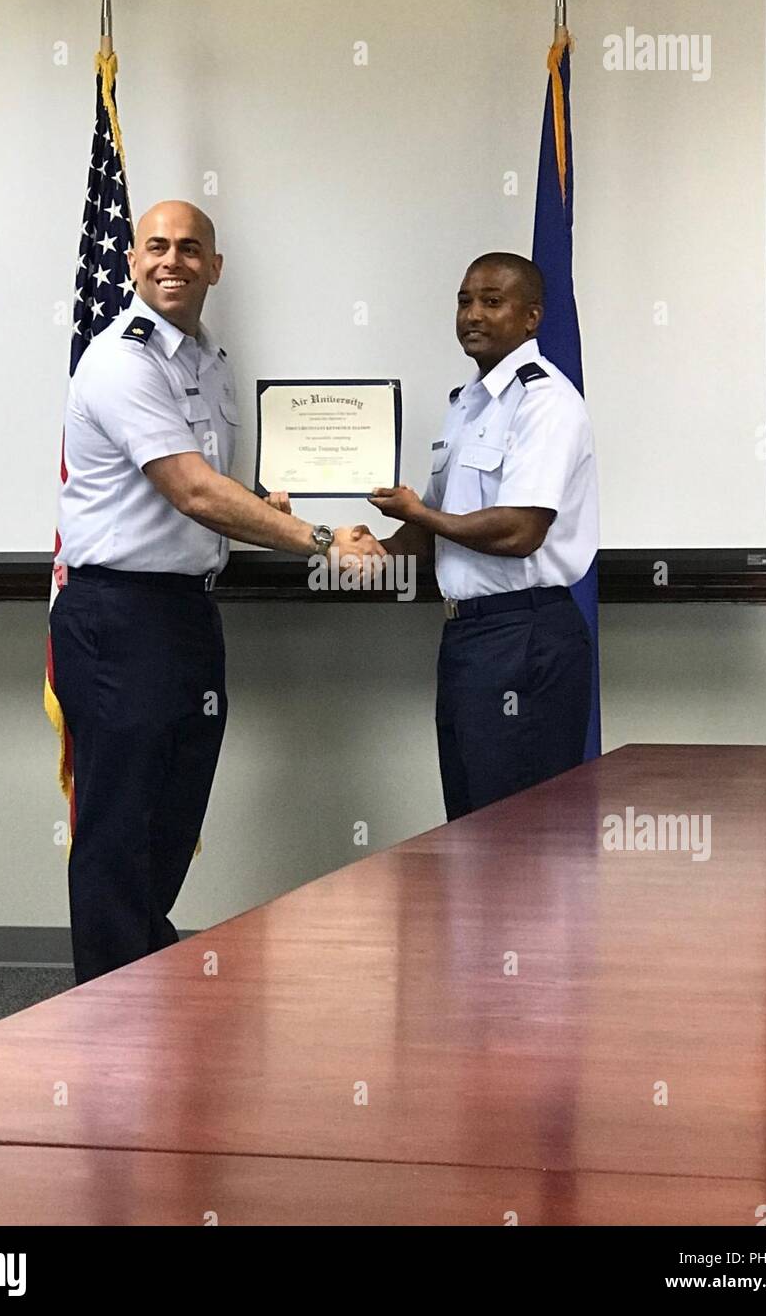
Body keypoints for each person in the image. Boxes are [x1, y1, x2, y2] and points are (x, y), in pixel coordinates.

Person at [51, 200, 384, 982]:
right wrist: (323, 541)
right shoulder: (121, 360)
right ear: (131, 262)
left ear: (215, 267)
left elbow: (208, 496)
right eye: (156, 247)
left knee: (169, 815)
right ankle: (105, 1011)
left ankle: (140, 981)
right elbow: (193, 491)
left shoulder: (205, 360)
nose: (173, 261)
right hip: (117, 616)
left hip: (183, 614)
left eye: (190, 248)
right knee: (119, 827)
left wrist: (259, 511)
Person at [369, 252, 598, 821]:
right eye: (465, 301)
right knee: (471, 826)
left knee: (517, 836)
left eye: (492, 302)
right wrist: (348, 549)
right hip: (470, 640)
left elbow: (520, 530)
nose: (473, 314)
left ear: (532, 318)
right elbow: (432, 529)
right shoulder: (467, 405)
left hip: (524, 633)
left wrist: (420, 515)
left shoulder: (545, 403)